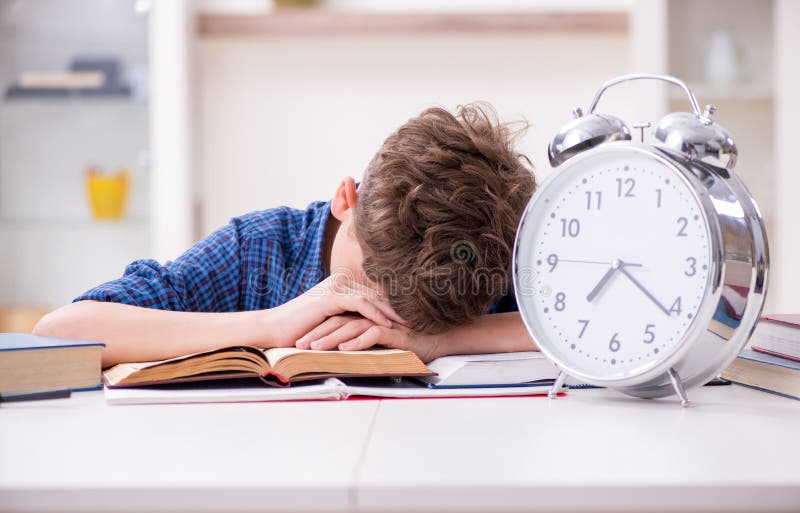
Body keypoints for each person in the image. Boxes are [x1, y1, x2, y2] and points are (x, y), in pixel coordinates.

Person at [34, 103, 538, 367]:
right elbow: (60, 332)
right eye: (370, 281)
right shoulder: (260, 250)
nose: (381, 315)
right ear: (346, 199)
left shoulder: (487, 252)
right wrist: (273, 324)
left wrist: (442, 339)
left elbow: (582, 328)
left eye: (411, 311)